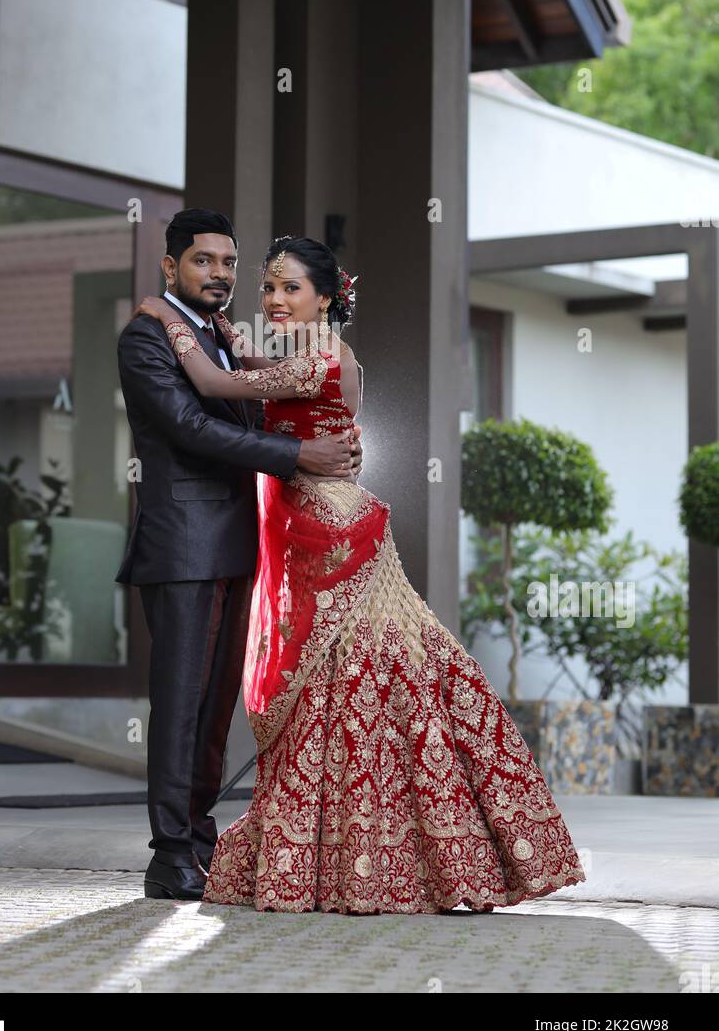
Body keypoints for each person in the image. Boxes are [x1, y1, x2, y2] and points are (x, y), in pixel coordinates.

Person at [134, 234, 587, 915]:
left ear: (326, 297)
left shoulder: (314, 360)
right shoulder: (319, 357)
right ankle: (381, 855)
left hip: (327, 526)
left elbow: (215, 384)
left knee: (344, 679)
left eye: (291, 288)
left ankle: (357, 859)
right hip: (327, 517)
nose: (275, 299)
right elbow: (259, 372)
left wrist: (167, 319)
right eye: (269, 287)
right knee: (369, 674)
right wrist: (229, 334)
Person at [115, 210, 362, 902]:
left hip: (235, 542)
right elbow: (191, 428)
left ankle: (198, 839)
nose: (219, 273)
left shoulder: (220, 338)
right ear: (172, 268)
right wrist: (299, 454)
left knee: (216, 702)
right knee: (181, 703)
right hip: (183, 546)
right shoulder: (147, 337)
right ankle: (168, 856)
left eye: (228, 262)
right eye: (203, 261)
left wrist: (327, 435)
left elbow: (262, 402)